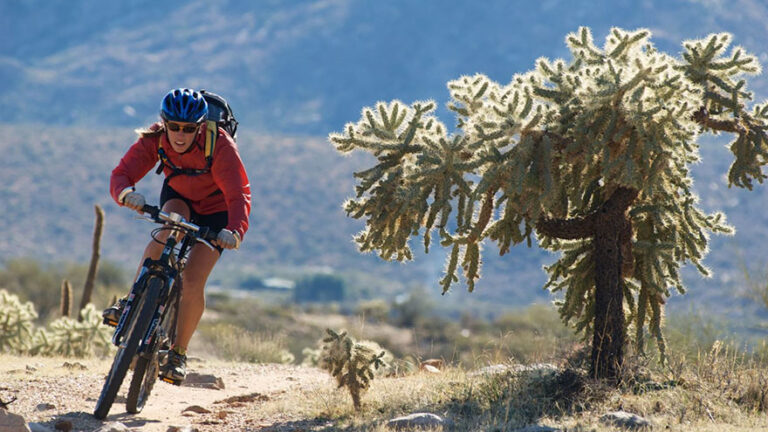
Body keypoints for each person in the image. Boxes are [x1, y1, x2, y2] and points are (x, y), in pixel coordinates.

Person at [105, 88, 251, 382]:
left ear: (200, 127)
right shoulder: (156, 138)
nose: (180, 135)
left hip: (217, 213)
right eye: (174, 127)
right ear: (164, 123)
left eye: (188, 128)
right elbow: (122, 173)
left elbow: (239, 194)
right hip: (180, 198)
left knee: (193, 279)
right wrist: (126, 193)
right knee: (165, 234)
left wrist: (234, 231)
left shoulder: (220, 145)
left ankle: (178, 353)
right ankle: (130, 302)